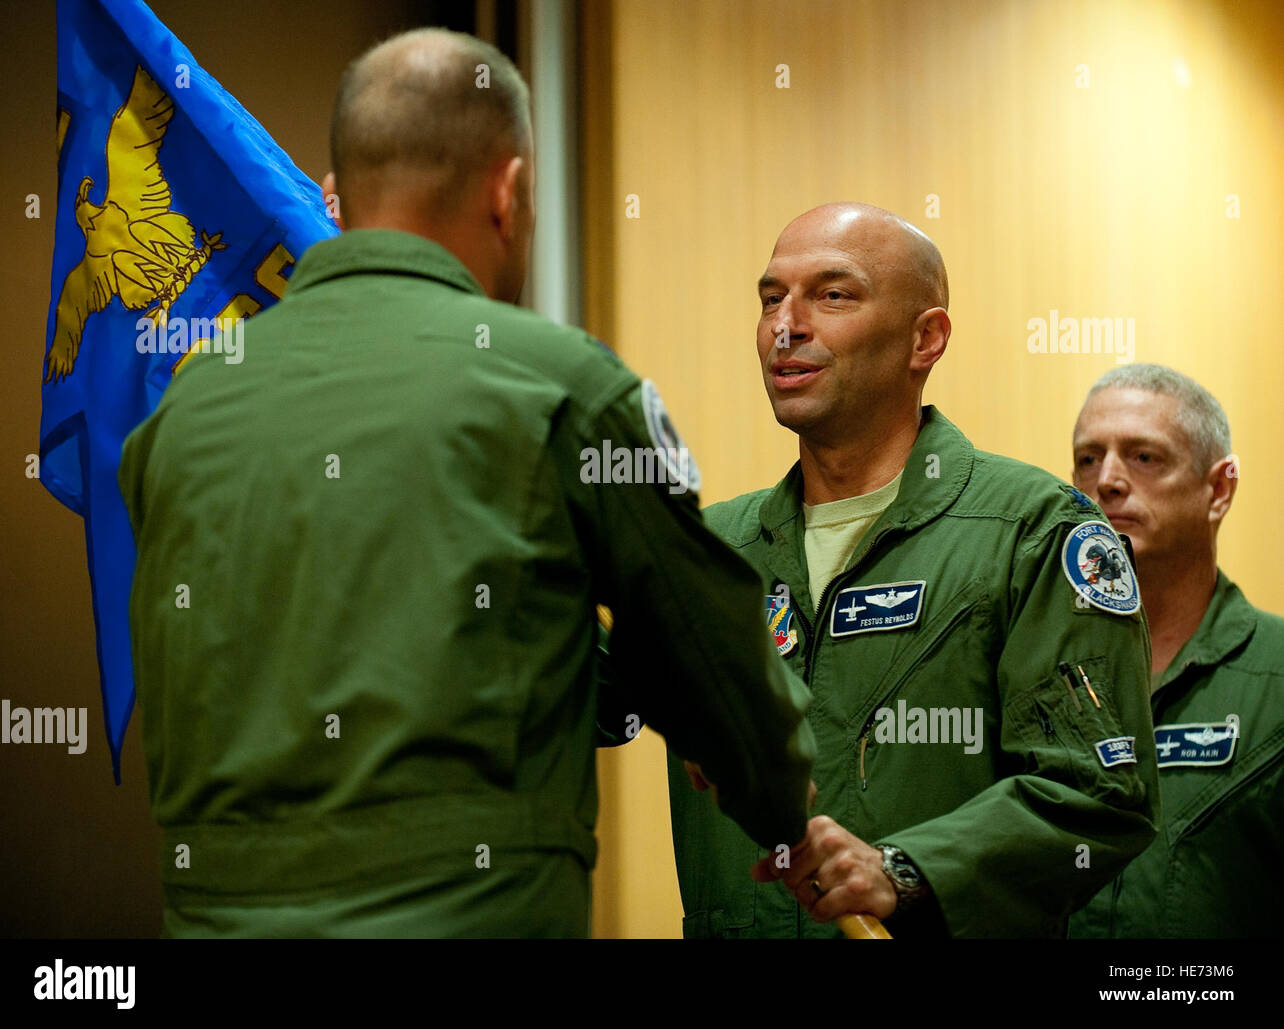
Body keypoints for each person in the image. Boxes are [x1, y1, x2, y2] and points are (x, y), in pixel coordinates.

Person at [117, 28, 814, 938]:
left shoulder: (185, 407)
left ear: (343, 195)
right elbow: (709, 663)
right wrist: (788, 814)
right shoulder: (560, 386)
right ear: (510, 189)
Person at [663, 202, 1160, 938]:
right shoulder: (705, 555)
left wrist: (904, 870)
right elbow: (574, 691)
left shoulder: (1031, 530)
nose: (786, 325)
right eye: (772, 298)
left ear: (925, 338)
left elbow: (1099, 793)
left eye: (833, 295)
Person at [1068, 365, 1284, 938]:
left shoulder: (1277, 674)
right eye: (1088, 459)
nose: (1107, 480)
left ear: (1219, 489)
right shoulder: (1033, 669)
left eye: (1144, 457)